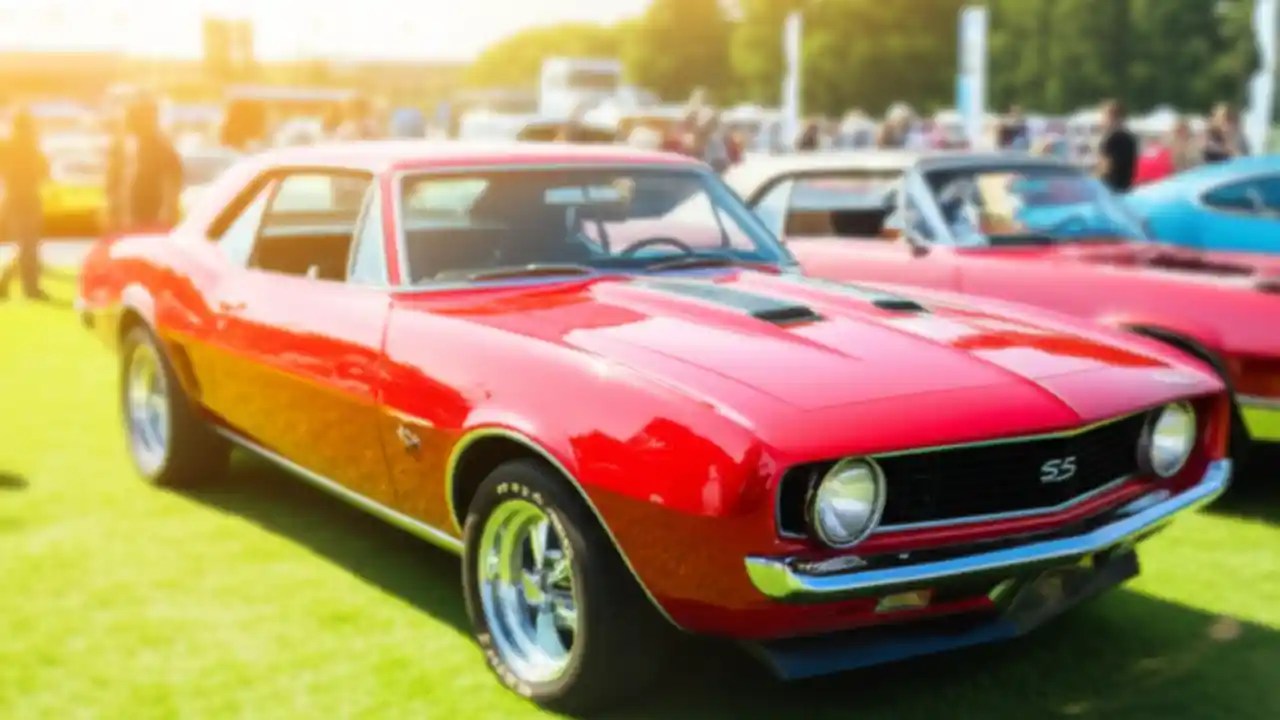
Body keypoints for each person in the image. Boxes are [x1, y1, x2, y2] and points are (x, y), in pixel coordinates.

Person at [0, 106, 50, 300]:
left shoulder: (10, 146)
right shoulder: (28, 147)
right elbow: (43, 171)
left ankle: (22, 285)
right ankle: (28, 287)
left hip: (16, 199)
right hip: (24, 199)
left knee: (26, 246)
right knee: (28, 245)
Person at [125, 97, 183, 230]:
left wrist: (166, 217)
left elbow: (172, 185)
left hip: (153, 222)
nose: (128, 123)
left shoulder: (160, 149)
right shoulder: (139, 147)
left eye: (133, 118)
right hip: (140, 220)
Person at [1096, 100, 1137, 192]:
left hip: (1109, 189)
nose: (1101, 120)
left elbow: (1105, 167)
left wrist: (1092, 181)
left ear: (1112, 118)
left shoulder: (1111, 139)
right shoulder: (1130, 138)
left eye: (1103, 116)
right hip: (1126, 187)